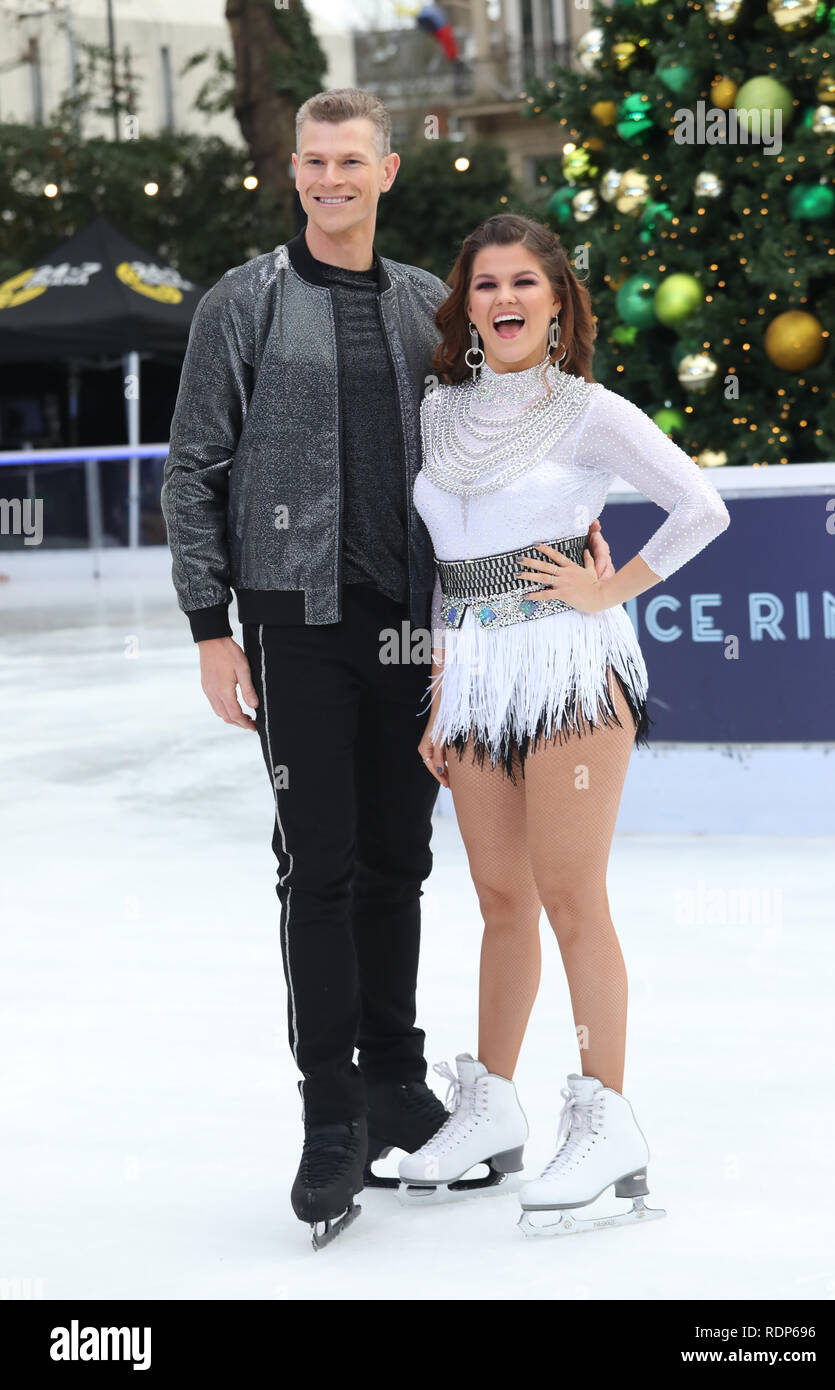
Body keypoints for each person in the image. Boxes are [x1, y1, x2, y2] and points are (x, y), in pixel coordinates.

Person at [160, 91, 615, 1249]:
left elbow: (505, 434)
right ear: (298, 174)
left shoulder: (430, 305)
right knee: (318, 861)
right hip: (290, 618)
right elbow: (193, 462)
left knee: (399, 860)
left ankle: (399, 1083)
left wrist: (579, 538)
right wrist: (210, 623)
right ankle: (329, 1115)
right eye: (312, 162)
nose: (329, 180)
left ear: (386, 170)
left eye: (349, 162)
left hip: (419, 627)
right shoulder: (243, 302)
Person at [398, 213, 731, 1235]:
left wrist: (610, 589)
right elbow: (450, 558)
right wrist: (443, 679)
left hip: (567, 666)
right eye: (484, 283)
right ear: (466, 304)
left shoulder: (588, 411)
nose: (502, 298)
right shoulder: (436, 407)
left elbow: (699, 506)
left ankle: (604, 1114)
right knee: (498, 895)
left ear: (555, 305)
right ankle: (490, 1102)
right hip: (474, 673)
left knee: (566, 893)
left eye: (523, 284)